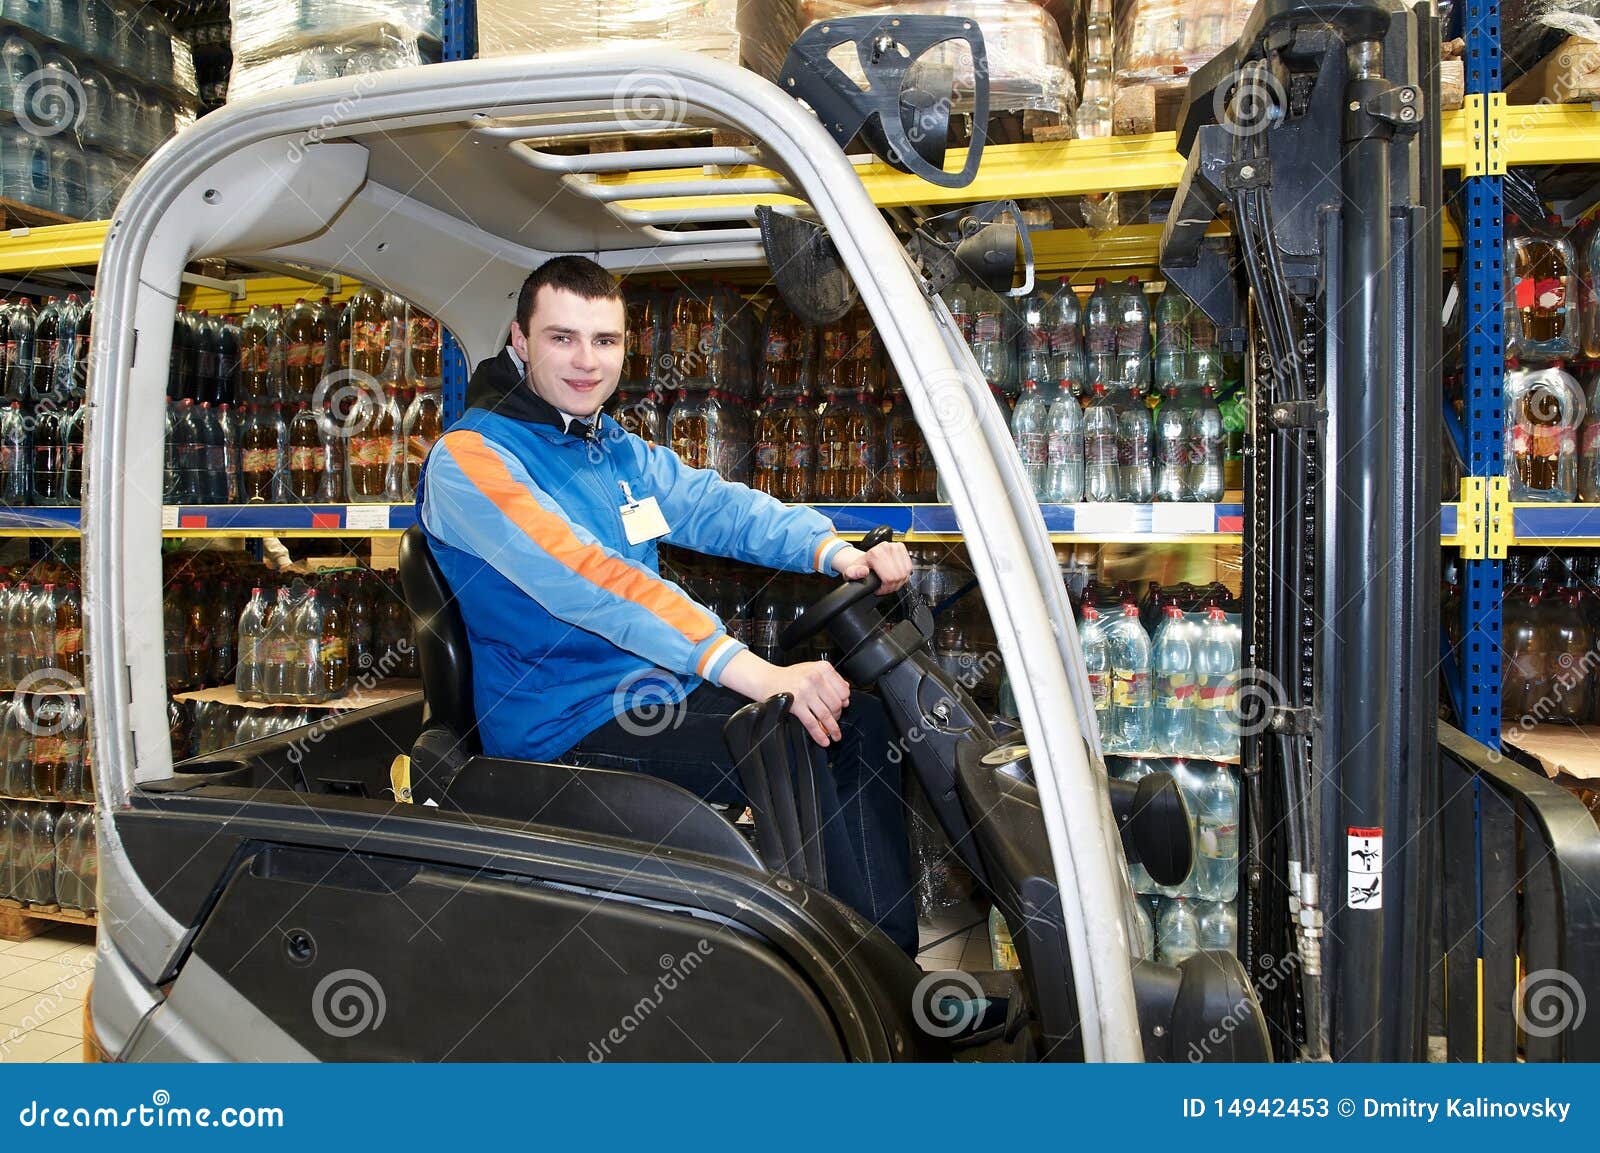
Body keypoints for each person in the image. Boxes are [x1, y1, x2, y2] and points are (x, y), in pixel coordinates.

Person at [418, 256, 918, 954]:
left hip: (653, 692)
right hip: (565, 725)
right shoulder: (471, 459)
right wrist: (757, 673)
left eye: (606, 340)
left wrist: (834, 551)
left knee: (858, 722)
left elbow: (715, 506)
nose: (587, 361)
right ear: (520, 341)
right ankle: (850, 972)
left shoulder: (606, 445)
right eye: (562, 338)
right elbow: (593, 579)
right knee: (806, 740)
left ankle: (888, 971)